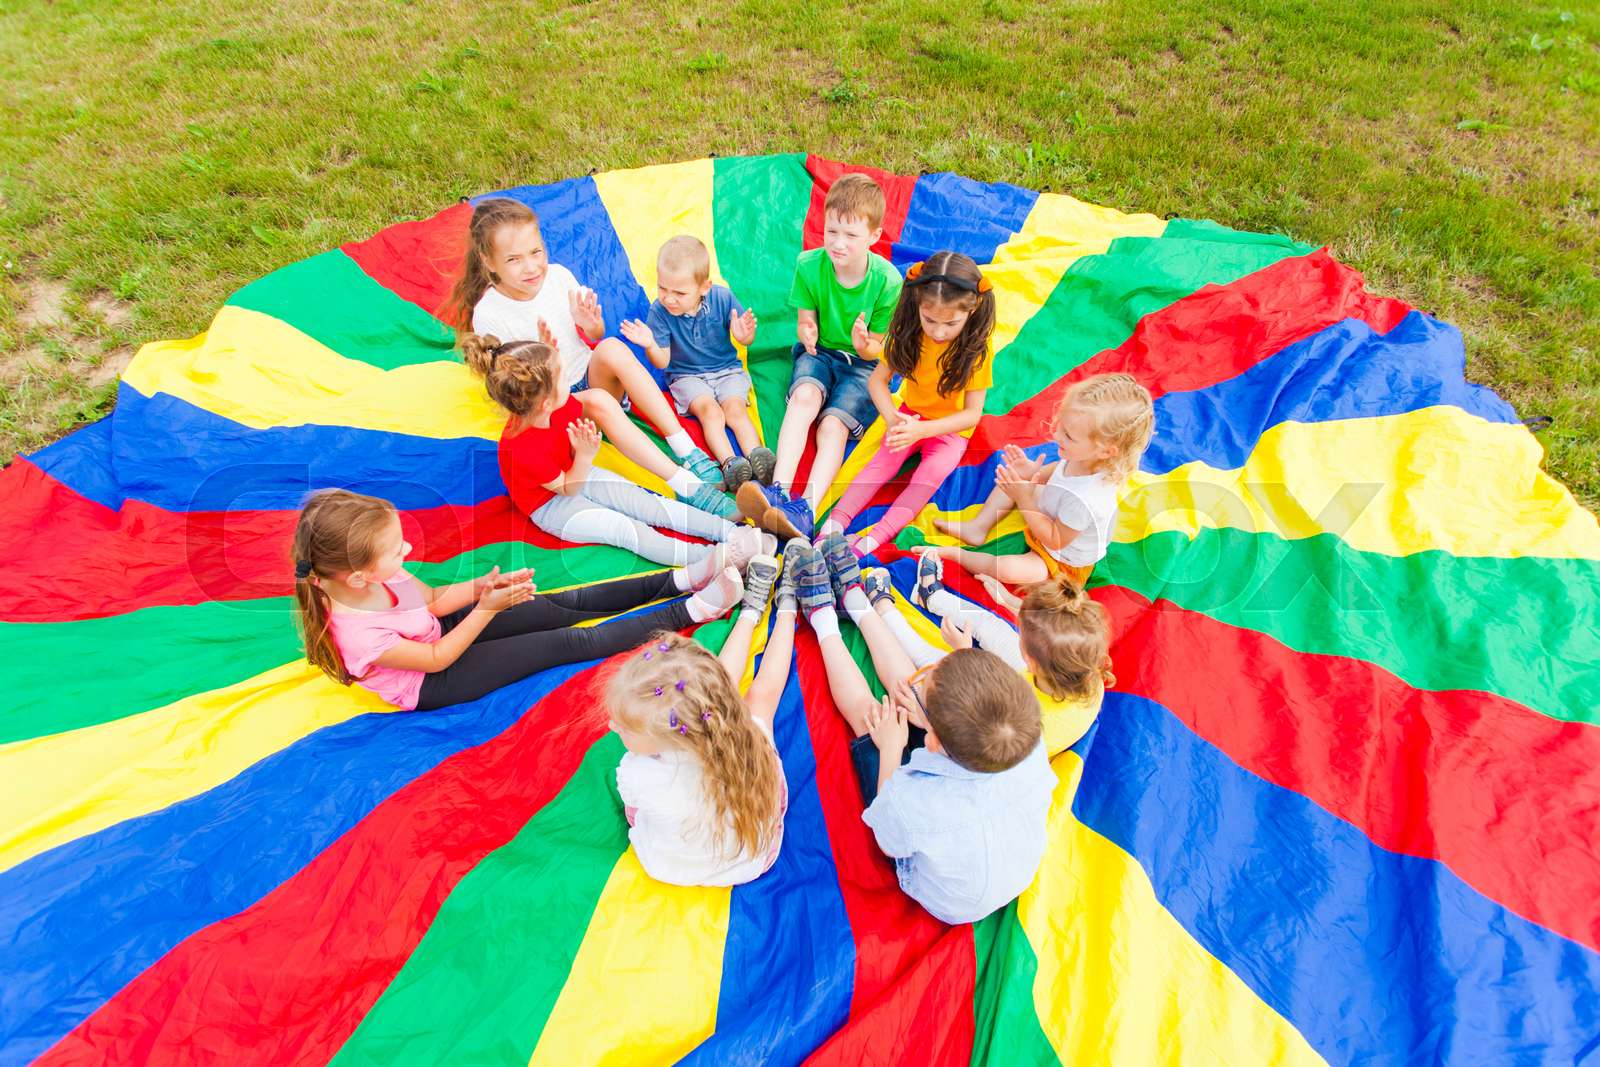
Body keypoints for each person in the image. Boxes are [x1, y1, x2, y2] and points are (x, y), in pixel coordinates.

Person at [791, 537, 1055, 925]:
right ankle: (856, 602)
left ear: (931, 740)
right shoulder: (1021, 738)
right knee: (906, 686)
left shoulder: (918, 802)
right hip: (987, 832)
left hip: (943, 893)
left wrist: (891, 749)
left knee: (872, 717)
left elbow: (888, 836)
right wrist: (926, 704)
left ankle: (823, 619)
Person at [291, 489, 744, 712]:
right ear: (357, 577)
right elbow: (435, 658)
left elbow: (430, 603)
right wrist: (487, 611)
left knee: (558, 604)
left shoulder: (374, 573)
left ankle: (680, 579)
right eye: (395, 551)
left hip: (439, 631)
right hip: (433, 678)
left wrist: (482, 590)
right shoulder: (358, 633)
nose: (407, 551)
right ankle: (694, 609)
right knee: (565, 642)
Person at [443, 196, 734, 514]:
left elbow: (593, 338)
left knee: (611, 347)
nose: (531, 267)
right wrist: (543, 357)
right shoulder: (491, 313)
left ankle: (686, 449)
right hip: (552, 406)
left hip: (587, 379)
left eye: (536, 252)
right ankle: (685, 485)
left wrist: (592, 326)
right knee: (600, 401)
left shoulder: (557, 276)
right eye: (513, 259)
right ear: (488, 261)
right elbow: (513, 391)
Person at [463, 333, 768, 566]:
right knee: (627, 530)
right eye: (560, 374)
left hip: (579, 471)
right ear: (545, 402)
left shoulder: (555, 405)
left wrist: (544, 360)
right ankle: (717, 557)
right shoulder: (520, 448)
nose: (568, 373)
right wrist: (583, 456)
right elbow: (569, 489)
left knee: (650, 505)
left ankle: (730, 532)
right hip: (554, 504)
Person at [605, 551, 794, 886]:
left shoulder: (636, 773)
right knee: (760, 698)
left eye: (624, 727)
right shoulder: (747, 744)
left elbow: (637, 808)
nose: (612, 727)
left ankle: (752, 610)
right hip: (752, 857)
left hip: (668, 864)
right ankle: (785, 608)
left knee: (723, 689)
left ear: (672, 738)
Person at [738, 173, 902, 540]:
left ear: (874, 237)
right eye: (832, 232)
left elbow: (877, 349)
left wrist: (864, 345)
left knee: (833, 426)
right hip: (820, 352)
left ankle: (806, 508)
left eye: (851, 236)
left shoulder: (887, 281)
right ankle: (776, 492)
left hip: (864, 364)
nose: (838, 244)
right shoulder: (810, 265)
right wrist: (807, 331)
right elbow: (806, 320)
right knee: (804, 398)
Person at [817, 251, 995, 557]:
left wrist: (923, 431)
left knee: (929, 476)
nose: (938, 332)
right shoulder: (909, 334)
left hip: (948, 431)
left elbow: (971, 415)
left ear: (972, 308)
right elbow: (877, 382)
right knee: (880, 463)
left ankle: (872, 540)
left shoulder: (976, 349)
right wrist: (891, 418)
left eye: (951, 323)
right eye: (930, 320)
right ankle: (833, 526)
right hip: (908, 417)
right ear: (918, 306)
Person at [934, 373, 1154, 589]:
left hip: (1060, 558)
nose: (1057, 436)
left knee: (1008, 569)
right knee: (1015, 478)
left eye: (1068, 436)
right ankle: (978, 527)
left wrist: (1025, 499)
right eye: (1060, 426)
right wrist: (1031, 471)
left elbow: (1054, 539)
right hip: (1053, 511)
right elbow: (1059, 471)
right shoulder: (1083, 457)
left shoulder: (1087, 499)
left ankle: (960, 556)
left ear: (1105, 451)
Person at [619, 235, 776, 491]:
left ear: (704, 287)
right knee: (711, 412)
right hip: (686, 376)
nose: (669, 298)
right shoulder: (659, 311)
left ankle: (759, 457)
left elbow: (746, 340)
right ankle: (730, 464)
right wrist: (649, 344)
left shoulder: (722, 299)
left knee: (735, 409)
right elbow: (663, 361)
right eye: (663, 289)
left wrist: (743, 334)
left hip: (726, 370)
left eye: (679, 293)